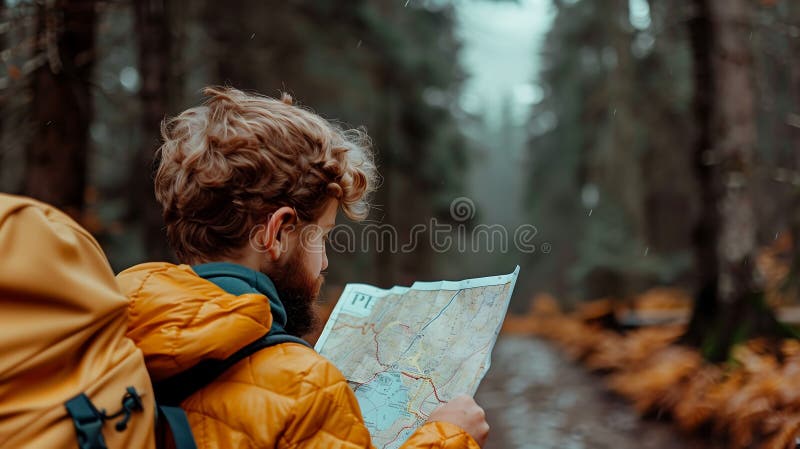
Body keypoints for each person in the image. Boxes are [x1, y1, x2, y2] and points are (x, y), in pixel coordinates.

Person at [116, 86, 490, 449]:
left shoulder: (117, 336)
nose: (325, 261)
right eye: (322, 237)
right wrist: (451, 436)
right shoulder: (304, 389)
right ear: (277, 233)